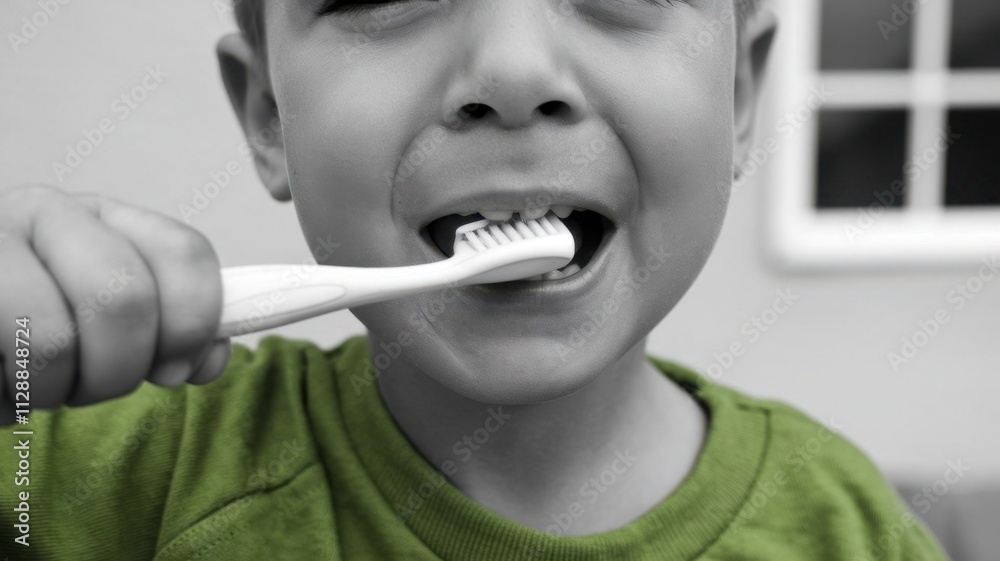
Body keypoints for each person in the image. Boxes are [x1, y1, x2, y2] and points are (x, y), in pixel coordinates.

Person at [0, 1, 948, 559]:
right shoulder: (102, 474)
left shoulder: (843, 526)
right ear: (266, 112)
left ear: (740, 96)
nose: (513, 69)